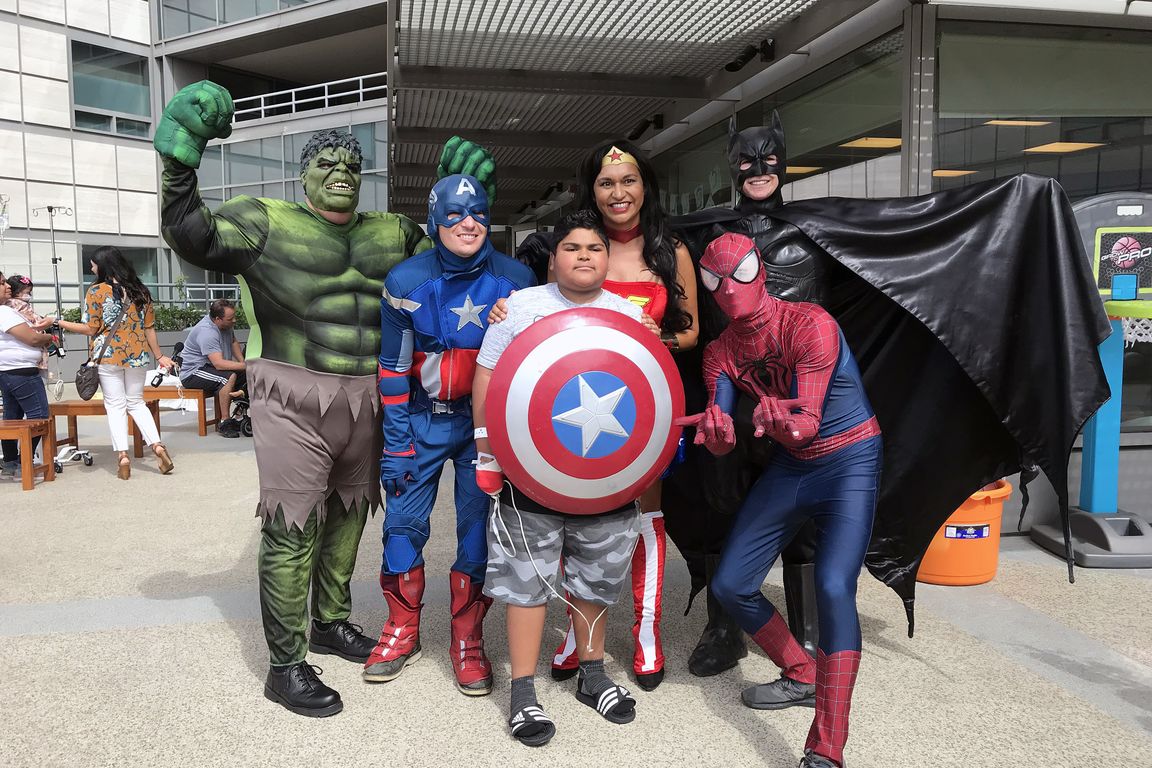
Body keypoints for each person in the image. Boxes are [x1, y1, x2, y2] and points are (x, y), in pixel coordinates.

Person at [673, 113, 1111, 650]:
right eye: (746, 159)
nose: (758, 169)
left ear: (784, 162)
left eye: (769, 158)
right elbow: (637, 252)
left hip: (809, 395)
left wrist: (1018, 200)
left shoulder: (819, 225)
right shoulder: (702, 235)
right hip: (733, 394)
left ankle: (809, 638)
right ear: (730, 165)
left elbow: (918, 227)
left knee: (808, 524)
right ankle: (725, 631)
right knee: (726, 507)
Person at [154, 79, 494, 717]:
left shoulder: (392, 232)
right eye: (326, 162)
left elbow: (459, 269)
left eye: (351, 164)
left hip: (369, 398)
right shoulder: (264, 220)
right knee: (290, 525)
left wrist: (455, 204)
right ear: (303, 173)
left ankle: (330, 619)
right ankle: (285, 666)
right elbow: (190, 235)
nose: (341, 171)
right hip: (291, 391)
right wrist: (180, 158)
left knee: (348, 516)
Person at [494, 140, 699, 690]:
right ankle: (574, 643)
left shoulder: (670, 249)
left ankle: (647, 638)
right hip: (563, 413)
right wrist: (503, 309)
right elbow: (540, 312)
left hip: (639, 409)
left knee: (642, 523)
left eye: (628, 180)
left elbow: (692, 330)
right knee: (569, 518)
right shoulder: (578, 241)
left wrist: (656, 345)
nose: (619, 192)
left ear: (645, 186)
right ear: (593, 192)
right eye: (607, 183)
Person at [678, 232, 882, 768]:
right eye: (712, 280)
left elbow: (808, 423)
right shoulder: (721, 352)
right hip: (794, 464)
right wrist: (720, 432)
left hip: (849, 457)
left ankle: (827, 748)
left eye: (739, 273)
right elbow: (721, 437)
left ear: (761, 271)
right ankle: (800, 671)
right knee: (731, 582)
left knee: (835, 585)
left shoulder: (810, 323)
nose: (727, 289)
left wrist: (777, 428)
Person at [473, 210, 655, 747]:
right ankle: (523, 690)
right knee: (525, 581)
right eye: (571, 247)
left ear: (607, 257)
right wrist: (487, 453)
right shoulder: (521, 307)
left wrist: (637, 465)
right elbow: (488, 375)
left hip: (603, 476)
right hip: (526, 472)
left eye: (594, 248)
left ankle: (592, 675)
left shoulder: (627, 314)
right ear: (553, 258)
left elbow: (647, 390)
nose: (582, 256)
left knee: (595, 577)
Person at [365, 173, 534, 696]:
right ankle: (402, 629)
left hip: (484, 426)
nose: (469, 223)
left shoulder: (518, 279)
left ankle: (468, 637)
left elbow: (535, 361)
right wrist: (395, 442)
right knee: (401, 525)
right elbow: (392, 370)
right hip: (421, 418)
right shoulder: (405, 280)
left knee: (478, 529)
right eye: (456, 214)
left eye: (479, 212)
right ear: (435, 220)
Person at [68, 247, 176, 480]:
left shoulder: (96, 291)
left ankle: (123, 458)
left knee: (115, 406)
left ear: (104, 265)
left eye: (93, 264)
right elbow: (149, 328)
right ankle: (157, 446)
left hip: (108, 357)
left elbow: (90, 328)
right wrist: (160, 356)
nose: (92, 268)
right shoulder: (141, 290)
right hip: (137, 356)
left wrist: (59, 322)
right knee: (136, 403)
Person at [0, 271, 56, 478]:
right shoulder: (5, 312)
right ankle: (25, 462)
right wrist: (48, 336)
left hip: (8, 371)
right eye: (2, 283)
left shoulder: (6, 310)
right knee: (39, 417)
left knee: (12, 418)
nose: (7, 286)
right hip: (21, 372)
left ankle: (10, 462)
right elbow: (32, 338)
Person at [179, 298, 246, 437]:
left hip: (210, 368)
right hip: (193, 373)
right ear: (217, 319)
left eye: (234, 317)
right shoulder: (207, 332)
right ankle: (225, 422)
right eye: (230, 319)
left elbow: (233, 342)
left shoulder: (225, 325)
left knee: (246, 375)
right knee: (228, 377)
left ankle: (239, 417)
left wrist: (243, 363)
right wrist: (245, 366)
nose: (234, 321)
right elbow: (219, 364)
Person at [4, 275, 64, 368]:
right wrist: (23, 315)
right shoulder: (12, 303)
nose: (29, 295)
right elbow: (13, 313)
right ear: (16, 292)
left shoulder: (23, 304)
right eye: (27, 292)